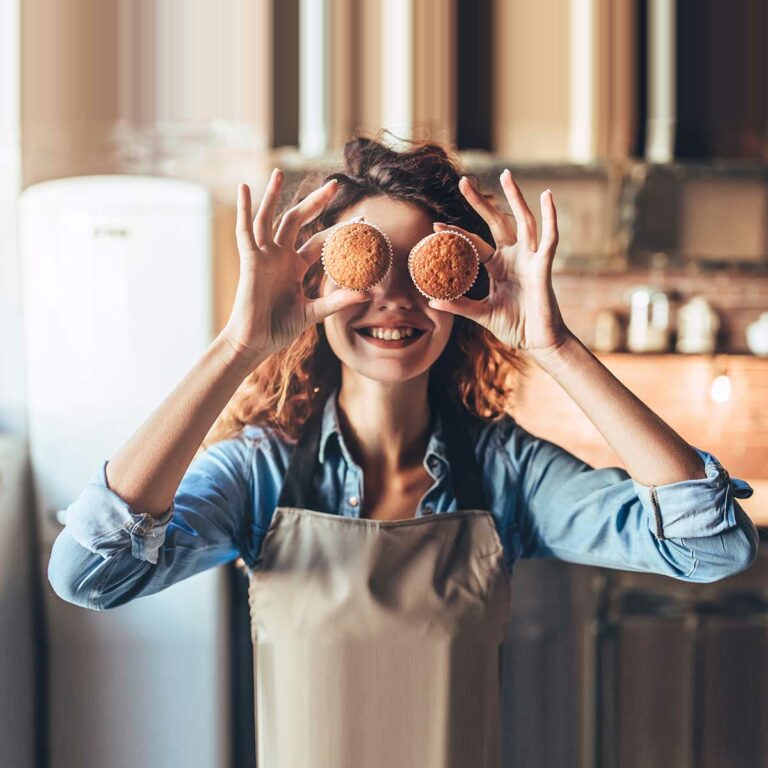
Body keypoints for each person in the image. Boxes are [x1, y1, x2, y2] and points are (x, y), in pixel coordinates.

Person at [48, 134, 758, 767]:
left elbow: (710, 547)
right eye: (363, 269)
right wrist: (239, 347)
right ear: (316, 286)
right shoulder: (259, 475)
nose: (393, 301)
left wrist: (556, 346)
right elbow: (90, 575)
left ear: (459, 290)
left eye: (420, 271)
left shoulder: (506, 474)